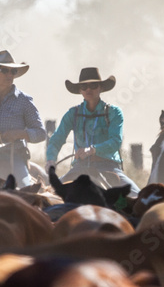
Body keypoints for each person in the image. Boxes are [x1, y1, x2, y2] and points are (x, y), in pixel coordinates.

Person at [44, 67, 140, 195]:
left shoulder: (113, 112)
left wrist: (92, 149)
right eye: (84, 86)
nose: (88, 89)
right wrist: (51, 160)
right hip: (79, 168)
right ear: (80, 90)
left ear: (101, 88)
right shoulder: (73, 113)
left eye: (93, 85)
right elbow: (57, 139)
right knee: (46, 196)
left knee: (137, 197)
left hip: (109, 167)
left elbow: (116, 141)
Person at [0, 49, 47, 185]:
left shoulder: (24, 100)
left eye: (12, 71)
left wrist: (19, 134)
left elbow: (41, 133)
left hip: (14, 159)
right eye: (5, 71)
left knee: (27, 187)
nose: (9, 75)